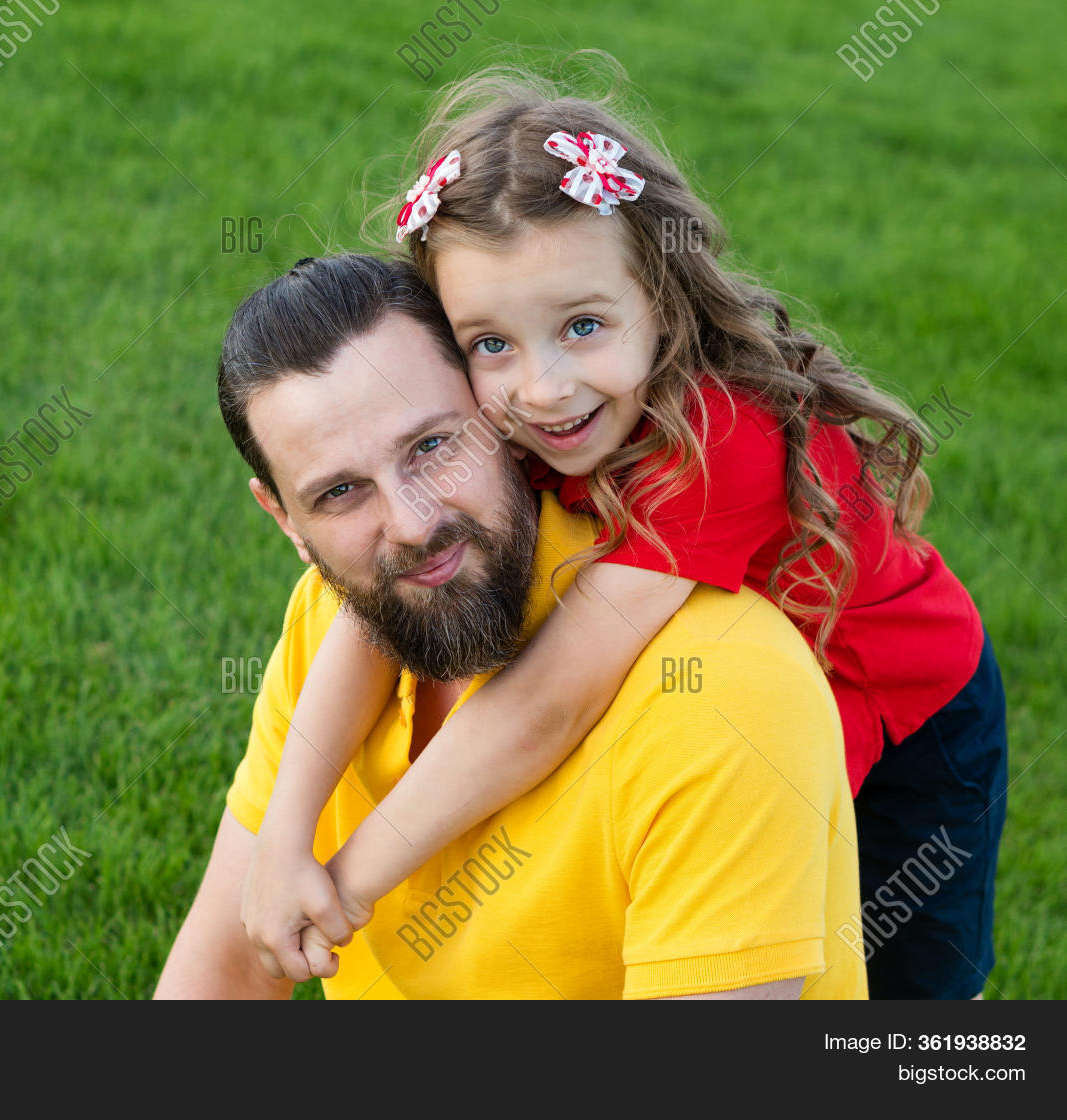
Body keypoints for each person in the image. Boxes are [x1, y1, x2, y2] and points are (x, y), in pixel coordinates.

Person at [239, 69, 1006, 1000]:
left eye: (584, 325)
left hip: (905, 701)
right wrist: (283, 842)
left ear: (663, 297)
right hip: (764, 677)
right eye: (490, 343)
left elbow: (548, 706)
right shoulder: (511, 424)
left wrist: (346, 882)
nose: (543, 387)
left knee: (898, 989)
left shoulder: (720, 441)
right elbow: (371, 625)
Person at [156, 253, 865, 999]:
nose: (412, 523)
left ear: (498, 415)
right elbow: (229, 971)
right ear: (285, 520)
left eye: (433, 446)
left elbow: (538, 710)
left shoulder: (722, 689)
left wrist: (346, 885)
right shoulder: (333, 614)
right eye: (340, 492)